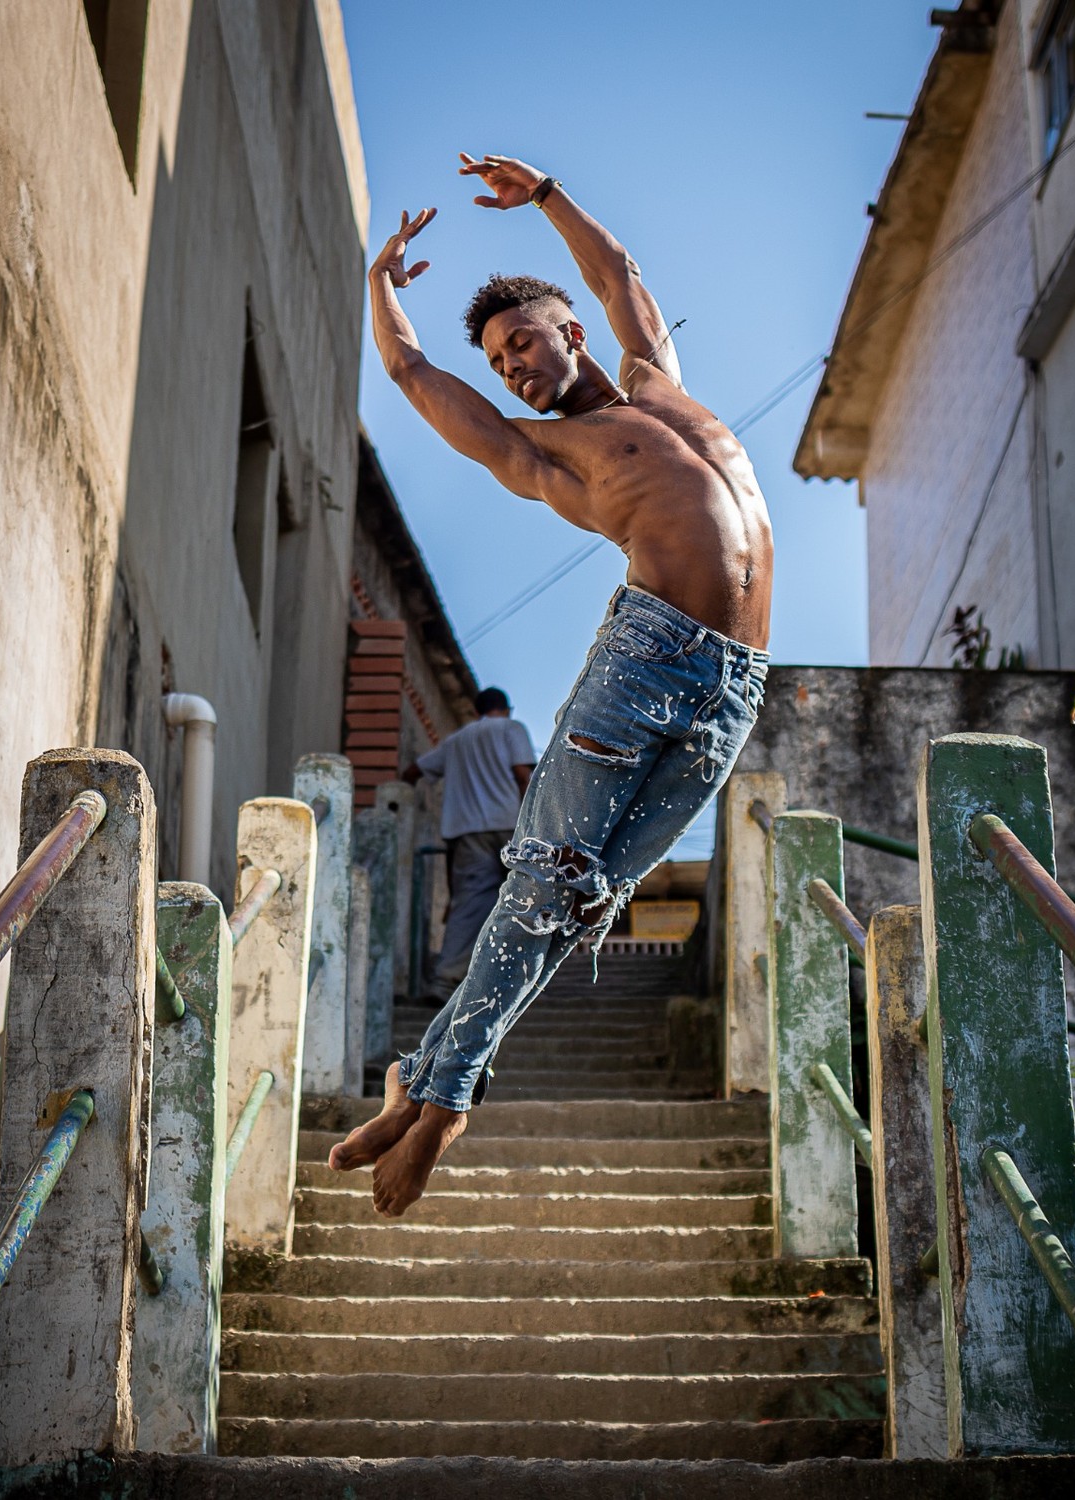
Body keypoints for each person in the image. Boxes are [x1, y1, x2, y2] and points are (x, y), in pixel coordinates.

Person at [330, 151, 774, 1216]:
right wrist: (381, 289)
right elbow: (411, 378)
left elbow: (619, 272)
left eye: (523, 340)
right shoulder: (549, 451)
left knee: (579, 904)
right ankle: (442, 1103)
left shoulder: (659, 380)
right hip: (647, 659)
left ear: (568, 328)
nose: (513, 367)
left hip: (736, 690)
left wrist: (545, 199)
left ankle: (423, 1081)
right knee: (542, 878)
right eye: (498, 359)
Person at [404, 686, 535, 1005]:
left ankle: (445, 980)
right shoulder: (511, 728)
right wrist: (532, 823)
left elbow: (414, 771)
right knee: (524, 901)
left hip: (467, 833)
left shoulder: (457, 740)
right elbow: (522, 774)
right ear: (507, 709)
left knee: (468, 905)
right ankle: (512, 984)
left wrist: (403, 796)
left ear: (477, 711)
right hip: (510, 828)